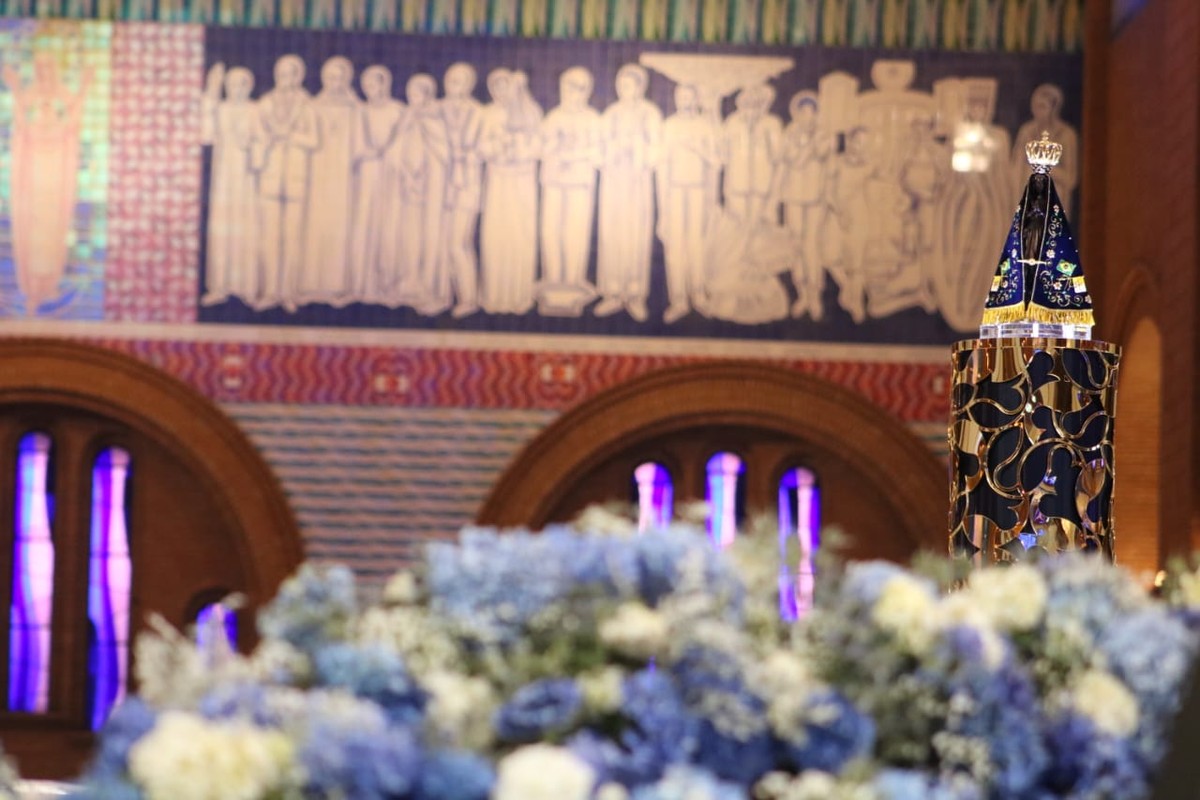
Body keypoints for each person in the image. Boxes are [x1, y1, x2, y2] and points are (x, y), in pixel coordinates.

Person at [3, 52, 90, 315]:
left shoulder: (61, 95)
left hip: (54, 177)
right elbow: (20, 123)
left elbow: (73, 119)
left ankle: (48, 283)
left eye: (48, 68)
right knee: (33, 229)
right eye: (40, 68)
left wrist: (85, 86)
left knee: (53, 230)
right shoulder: (30, 97)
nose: (44, 74)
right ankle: (32, 288)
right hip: (34, 179)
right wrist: (16, 89)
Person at [595, 64, 662, 323]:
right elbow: (600, 146)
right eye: (621, 85)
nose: (624, 90)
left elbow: (656, 148)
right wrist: (615, 148)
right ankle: (612, 292)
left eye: (629, 85)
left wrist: (635, 148)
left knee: (635, 236)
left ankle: (634, 294)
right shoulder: (611, 113)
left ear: (640, 87)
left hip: (637, 183)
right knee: (612, 235)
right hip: (614, 181)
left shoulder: (649, 113)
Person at [253, 54, 319, 311]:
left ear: (298, 77)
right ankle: (270, 291)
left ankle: (288, 291)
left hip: (295, 176)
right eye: (281, 73)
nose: (285, 79)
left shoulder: (306, 104)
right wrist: (270, 138)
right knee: (269, 236)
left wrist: (291, 135)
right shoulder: (265, 103)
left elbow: (314, 140)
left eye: (290, 74)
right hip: (270, 175)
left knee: (292, 238)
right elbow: (256, 137)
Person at [538, 66, 601, 316]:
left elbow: (597, 152)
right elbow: (542, 147)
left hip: (579, 183)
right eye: (566, 87)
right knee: (551, 230)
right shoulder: (553, 117)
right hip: (553, 182)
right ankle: (553, 277)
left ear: (585, 91)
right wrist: (557, 148)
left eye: (576, 88)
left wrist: (572, 155)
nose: (570, 93)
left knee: (576, 231)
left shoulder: (593, 119)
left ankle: (573, 279)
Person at [479, 69, 542, 315]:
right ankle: (495, 296)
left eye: (505, 86)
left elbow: (538, 145)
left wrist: (518, 149)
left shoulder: (531, 112)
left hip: (522, 182)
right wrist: (497, 146)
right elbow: (482, 145)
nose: (501, 92)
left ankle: (519, 296)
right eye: (496, 87)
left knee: (521, 234)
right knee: (496, 235)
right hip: (498, 182)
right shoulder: (489, 113)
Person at [657, 84, 721, 324]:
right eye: (680, 97)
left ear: (695, 100)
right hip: (674, 191)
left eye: (688, 98)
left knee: (696, 244)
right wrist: (662, 207)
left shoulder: (705, 126)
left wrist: (699, 148)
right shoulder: (669, 126)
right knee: (675, 247)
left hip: (697, 191)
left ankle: (698, 294)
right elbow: (662, 166)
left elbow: (716, 162)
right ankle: (678, 300)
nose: (684, 102)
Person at [300, 56, 361, 308]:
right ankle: (312, 285)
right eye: (331, 77)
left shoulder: (356, 107)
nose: (335, 82)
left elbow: (360, 141)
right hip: (318, 172)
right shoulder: (313, 105)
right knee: (315, 225)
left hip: (344, 175)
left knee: (340, 227)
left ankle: (337, 287)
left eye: (340, 78)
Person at [200, 64, 260, 307]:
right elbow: (206, 135)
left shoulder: (256, 110)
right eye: (233, 84)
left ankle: (247, 286)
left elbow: (265, 141)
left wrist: (251, 147)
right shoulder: (221, 109)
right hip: (224, 176)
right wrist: (211, 93)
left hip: (248, 177)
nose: (238, 89)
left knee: (248, 228)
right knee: (223, 229)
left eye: (243, 84)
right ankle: (219, 286)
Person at [391, 74, 449, 314]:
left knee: (430, 235)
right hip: (408, 188)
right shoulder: (405, 119)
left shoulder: (435, 120)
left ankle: (429, 286)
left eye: (419, 94)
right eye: (411, 94)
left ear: (428, 96)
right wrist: (406, 174)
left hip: (430, 187)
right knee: (409, 234)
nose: (414, 99)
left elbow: (442, 152)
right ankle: (409, 280)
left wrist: (422, 174)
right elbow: (394, 150)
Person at [348, 65, 405, 305]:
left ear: (386, 84)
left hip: (391, 176)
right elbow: (356, 147)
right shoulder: (360, 112)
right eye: (368, 85)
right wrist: (369, 153)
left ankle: (387, 286)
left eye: (377, 83)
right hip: (368, 175)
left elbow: (404, 144)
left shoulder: (398, 110)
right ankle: (361, 286)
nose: (373, 89)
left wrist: (388, 153)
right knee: (364, 227)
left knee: (388, 228)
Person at [777, 90, 831, 319]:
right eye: (803, 113)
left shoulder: (824, 134)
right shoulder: (789, 133)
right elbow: (795, 160)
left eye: (811, 113)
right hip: (794, 197)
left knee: (812, 246)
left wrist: (810, 143)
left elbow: (821, 153)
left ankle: (815, 294)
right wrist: (807, 144)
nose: (807, 117)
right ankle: (801, 293)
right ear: (797, 114)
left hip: (816, 197)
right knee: (797, 244)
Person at [439, 63, 485, 318]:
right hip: (439, 187)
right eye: (451, 80)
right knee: (439, 243)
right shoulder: (437, 109)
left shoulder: (478, 112)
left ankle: (468, 297)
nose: (455, 85)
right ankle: (443, 295)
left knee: (458, 242)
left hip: (466, 185)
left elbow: (479, 147)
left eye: (460, 81)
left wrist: (461, 153)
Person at [1012, 83, 1078, 220]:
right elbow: (1015, 167)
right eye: (1035, 106)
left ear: (1054, 109)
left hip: (1055, 203)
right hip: (1028, 203)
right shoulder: (1026, 131)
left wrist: (1044, 167)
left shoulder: (1067, 135)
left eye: (1043, 107)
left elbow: (1070, 178)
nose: (1037, 111)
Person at [722, 84, 782, 224]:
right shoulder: (732, 122)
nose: (751, 108)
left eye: (756, 103)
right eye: (747, 103)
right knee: (737, 224)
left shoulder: (772, 123)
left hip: (761, 184)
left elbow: (777, 156)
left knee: (758, 225)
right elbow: (725, 155)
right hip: (737, 183)